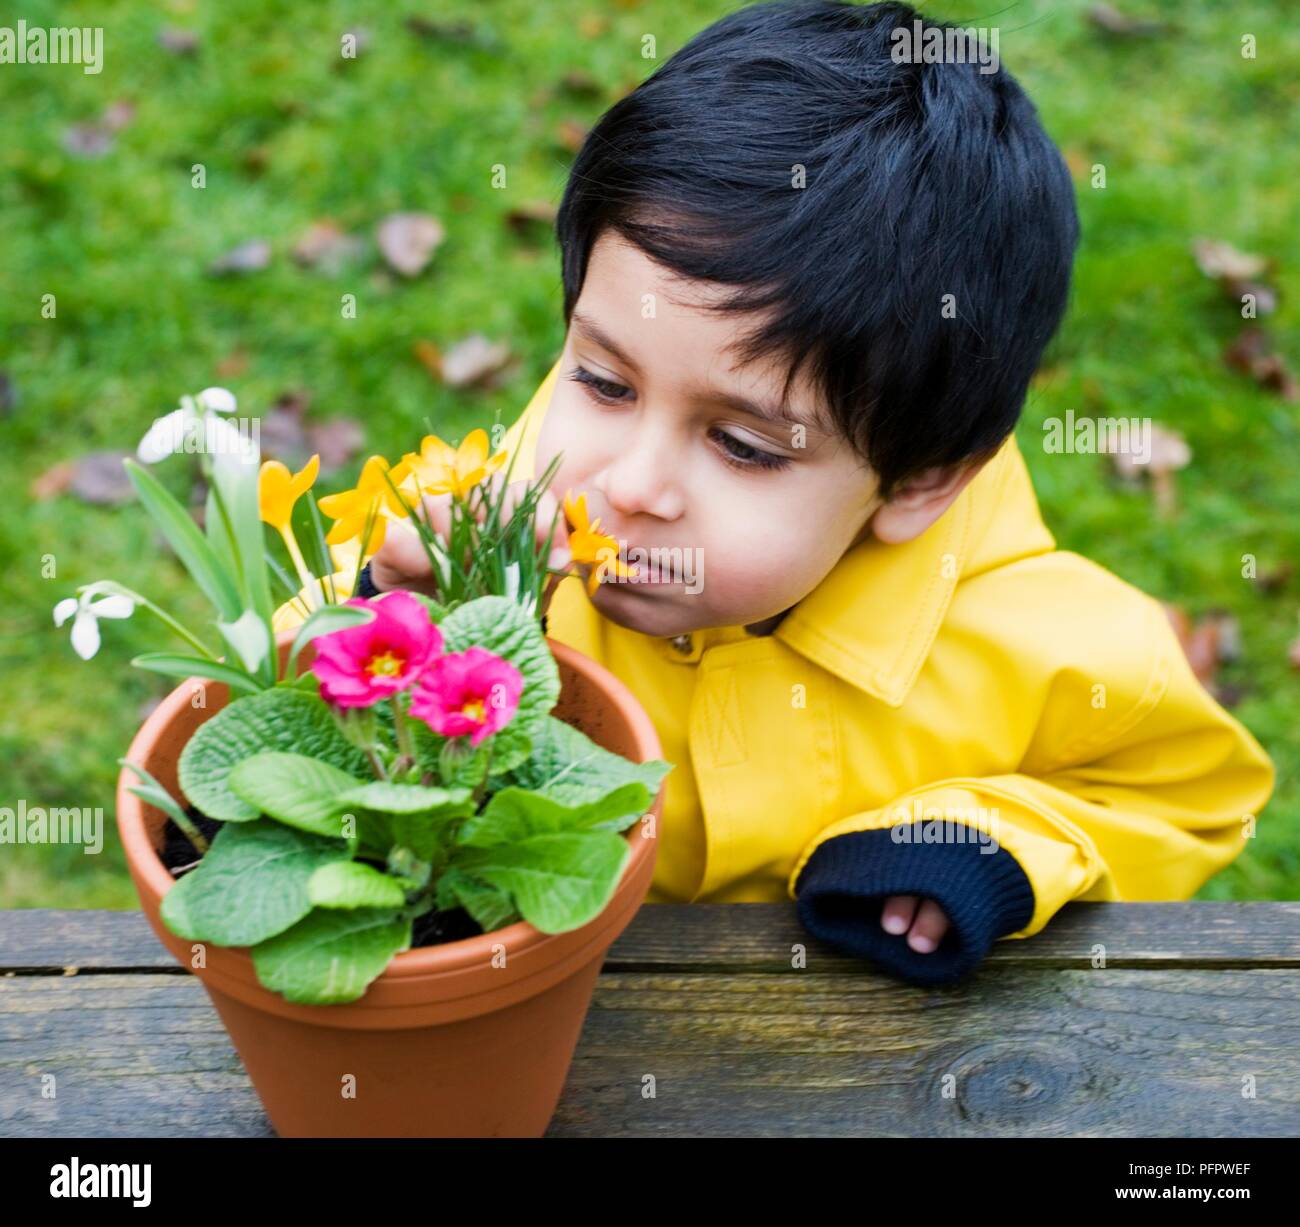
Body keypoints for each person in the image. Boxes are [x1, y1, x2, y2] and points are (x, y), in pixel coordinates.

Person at [281, 1, 1275, 985]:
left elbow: (1184, 796)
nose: (629, 486)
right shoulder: (487, 551)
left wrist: (992, 844)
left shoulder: (1060, 650)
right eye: (603, 381)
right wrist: (385, 624)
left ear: (920, 478)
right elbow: (269, 695)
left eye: (745, 446)